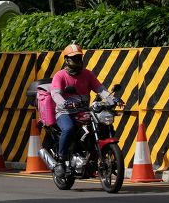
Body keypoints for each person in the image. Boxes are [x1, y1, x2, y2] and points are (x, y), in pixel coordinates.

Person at [50, 43, 123, 176]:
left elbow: (100, 90)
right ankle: (61, 160)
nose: (78, 60)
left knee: (103, 127)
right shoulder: (60, 76)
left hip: (84, 111)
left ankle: (93, 157)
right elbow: (55, 94)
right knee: (69, 129)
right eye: (74, 58)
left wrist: (113, 99)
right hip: (65, 112)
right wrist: (64, 103)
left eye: (79, 57)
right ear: (66, 59)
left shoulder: (87, 74)